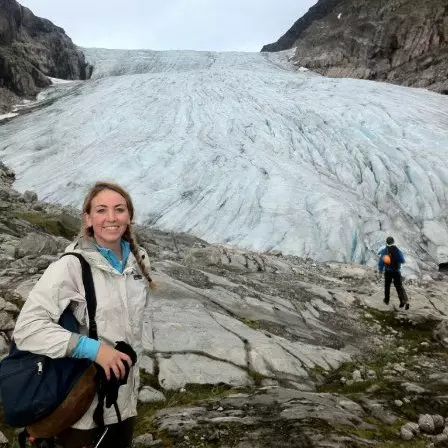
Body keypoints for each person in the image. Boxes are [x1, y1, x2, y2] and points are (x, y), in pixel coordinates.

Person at [13, 181, 153, 448]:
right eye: (101, 210)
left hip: (123, 399)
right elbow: (27, 328)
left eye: (119, 209)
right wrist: (93, 349)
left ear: (129, 216)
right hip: (81, 405)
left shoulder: (138, 260)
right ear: (88, 219)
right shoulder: (71, 266)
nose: (111, 218)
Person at [378, 236, 409, 310]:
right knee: (399, 287)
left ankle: (386, 300)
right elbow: (402, 260)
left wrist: (380, 270)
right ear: (393, 242)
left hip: (388, 271)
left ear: (387, 242)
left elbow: (381, 262)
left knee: (387, 286)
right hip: (396, 272)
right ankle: (402, 301)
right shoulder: (397, 250)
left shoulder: (384, 250)